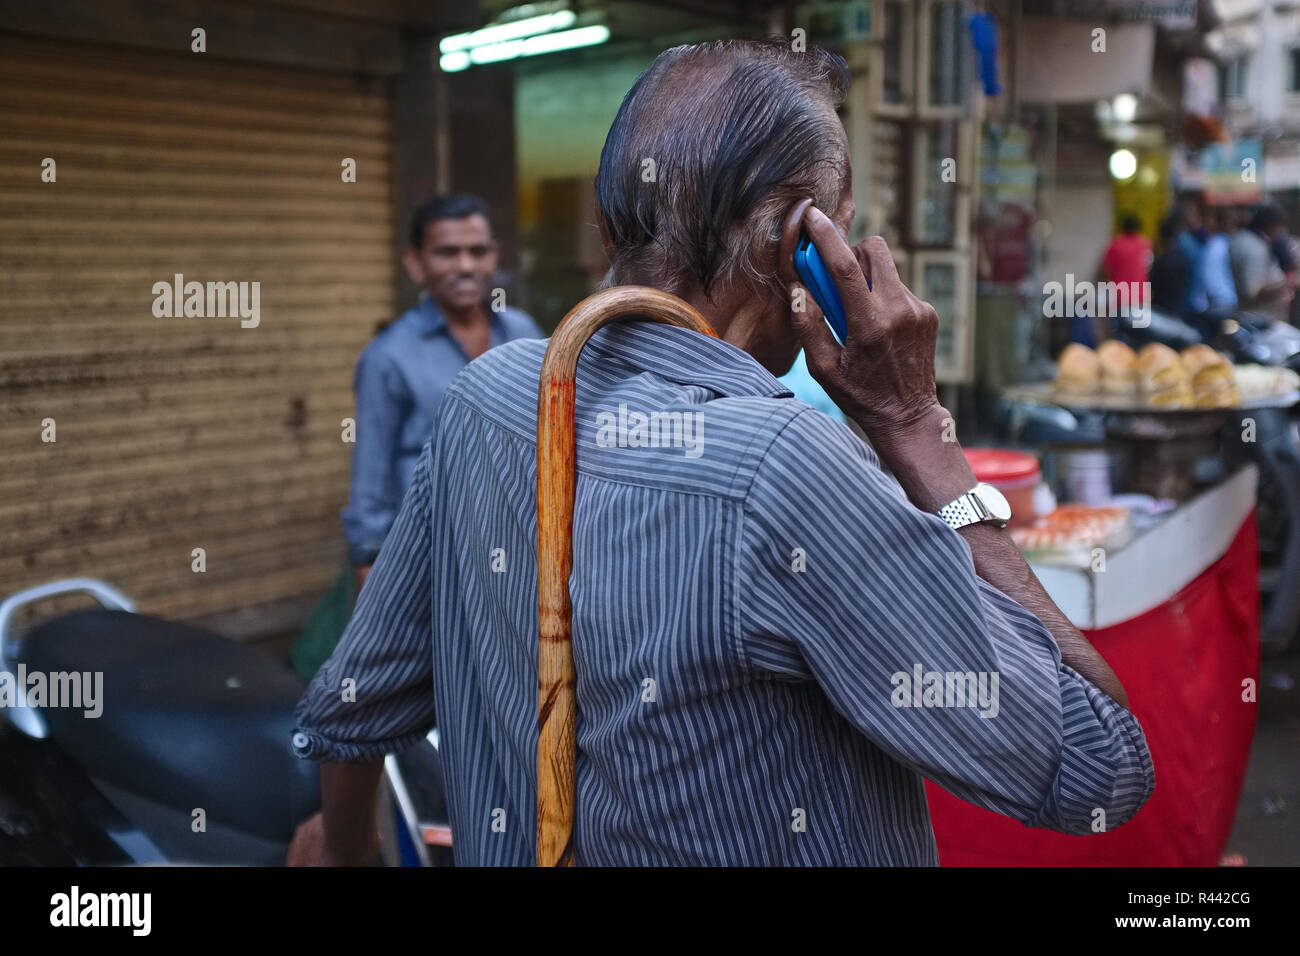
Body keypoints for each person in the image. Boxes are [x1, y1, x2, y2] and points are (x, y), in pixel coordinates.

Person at [290, 39, 1153, 866]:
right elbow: (1101, 764)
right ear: (801, 251)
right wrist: (916, 429)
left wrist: (342, 848)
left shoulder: (487, 396)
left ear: (605, 223)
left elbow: (354, 705)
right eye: (841, 231)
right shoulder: (786, 465)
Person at [343, 194, 542, 590]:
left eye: (478, 251)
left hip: (521, 544)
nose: (466, 266)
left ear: (494, 256)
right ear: (416, 264)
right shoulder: (389, 356)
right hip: (433, 555)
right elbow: (371, 474)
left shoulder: (521, 332)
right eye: (447, 253)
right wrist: (368, 565)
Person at [1229, 203, 1294, 320]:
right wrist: (1288, 283)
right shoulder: (1253, 247)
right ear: (1272, 225)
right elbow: (1253, 293)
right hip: (1259, 321)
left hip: (1256, 318)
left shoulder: (1245, 239)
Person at [1100, 213, 1152, 318]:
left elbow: (1106, 271)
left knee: (1120, 329)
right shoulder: (1145, 245)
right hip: (1140, 295)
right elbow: (1148, 268)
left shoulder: (1116, 245)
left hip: (1119, 296)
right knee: (1137, 329)